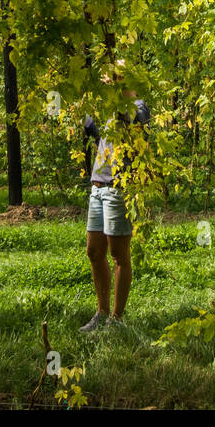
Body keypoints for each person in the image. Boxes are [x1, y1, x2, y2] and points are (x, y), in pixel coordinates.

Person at [79, 74, 149, 333]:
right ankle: (101, 312)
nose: (105, 82)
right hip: (97, 188)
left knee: (119, 254)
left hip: (118, 189)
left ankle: (116, 319)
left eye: (111, 79)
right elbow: (105, 145)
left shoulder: (137, 107)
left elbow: (135, 130)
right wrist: (90, 127)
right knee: (93, 251)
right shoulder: (110, 111)